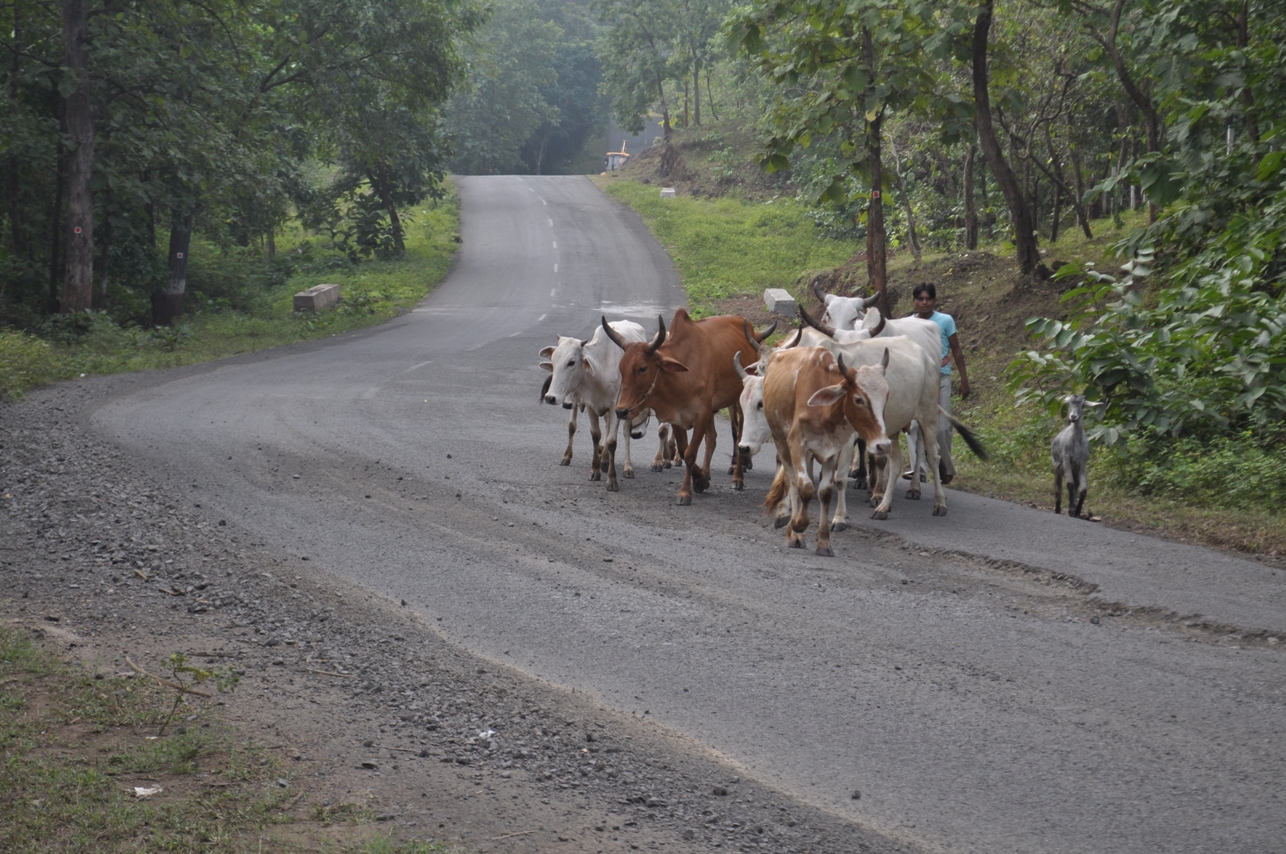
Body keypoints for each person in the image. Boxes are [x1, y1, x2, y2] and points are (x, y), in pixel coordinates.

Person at [905, 282, 970, 484]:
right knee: (913, 425)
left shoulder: (945, 320)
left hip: (940, 376)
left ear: (934, 300)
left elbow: (956, 350)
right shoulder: (907, 323)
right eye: (921, 299)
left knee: (941, 427)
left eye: (929, 299)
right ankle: (919, 470)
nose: (925, 303)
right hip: (916, 378)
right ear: (914, 301)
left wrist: (964, 380)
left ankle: (946, 467)